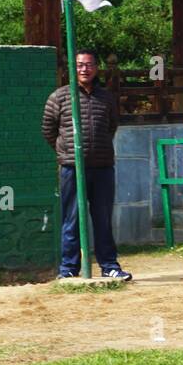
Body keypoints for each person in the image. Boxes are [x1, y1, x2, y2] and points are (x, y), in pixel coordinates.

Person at [41, 48, 133, 281]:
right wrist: (65, 152)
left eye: (89, 65)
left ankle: (109, 265)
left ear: (96, 68)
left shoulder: (107, 97)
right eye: (80, 65)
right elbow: (48, 130)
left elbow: (112, 126)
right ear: (73, 68)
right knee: (71, 219)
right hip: (72, 168)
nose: (84, 69)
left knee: (102, 219)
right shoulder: (59, 97)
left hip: (102, 167)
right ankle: (69, 268)